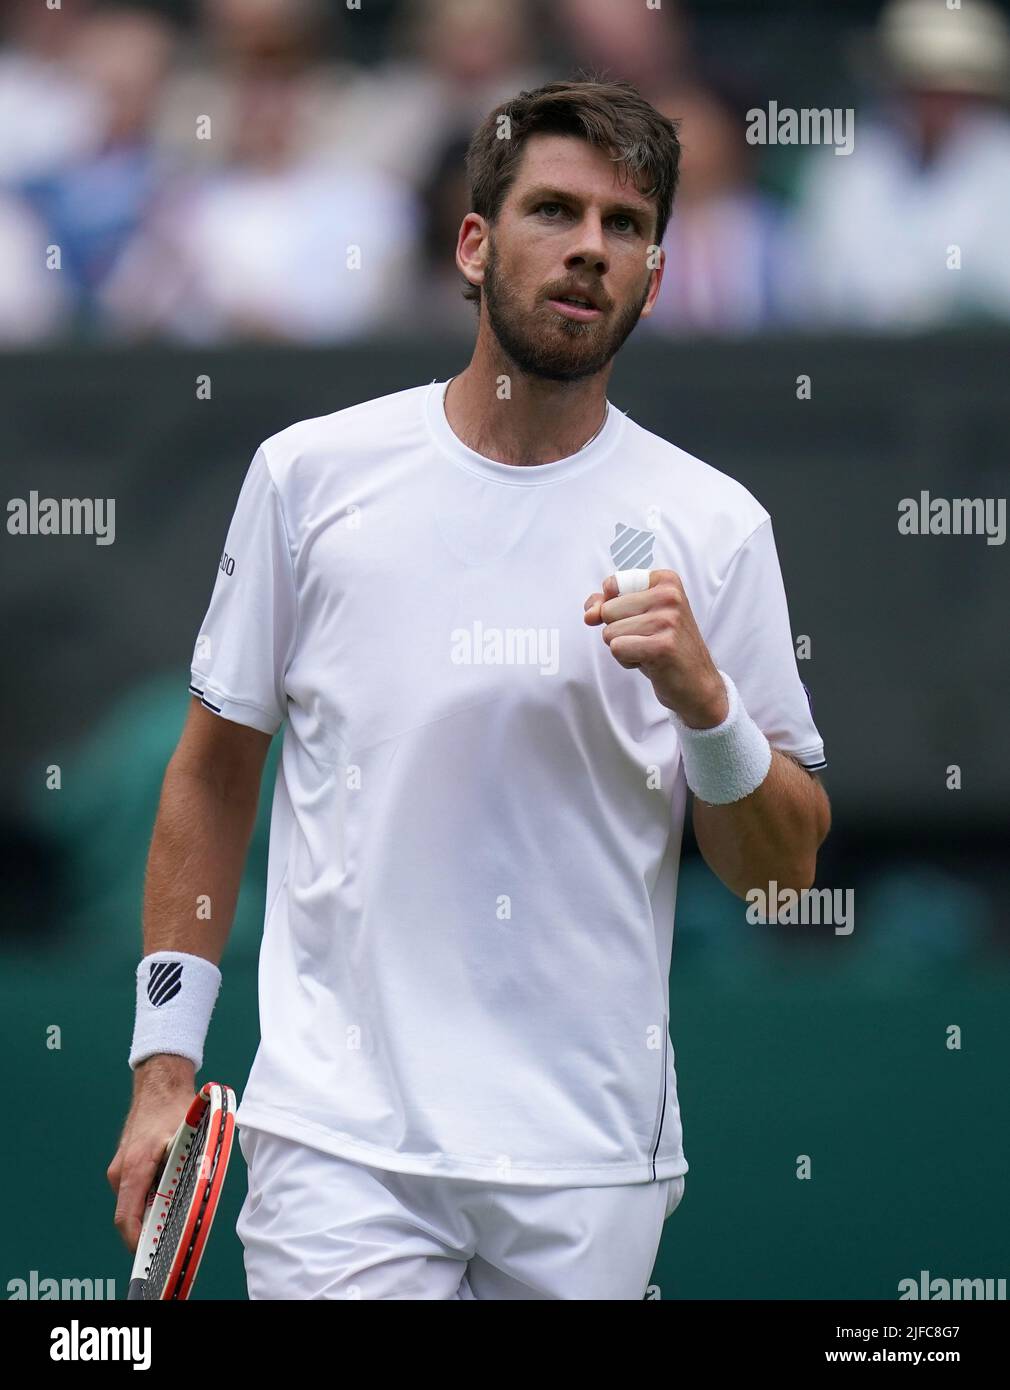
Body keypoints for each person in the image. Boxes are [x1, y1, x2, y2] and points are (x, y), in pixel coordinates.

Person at [107, 77, 831, 1301]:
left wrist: (706, 704)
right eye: (555, 210)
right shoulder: (307, 477)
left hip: (590, 1165)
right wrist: (162, 1067)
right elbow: (214, 769)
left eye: (625, 226)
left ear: (654, 273)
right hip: (337, 1148)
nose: (590, 249)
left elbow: (779, 875)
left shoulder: (716, 527)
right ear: (474, 244)